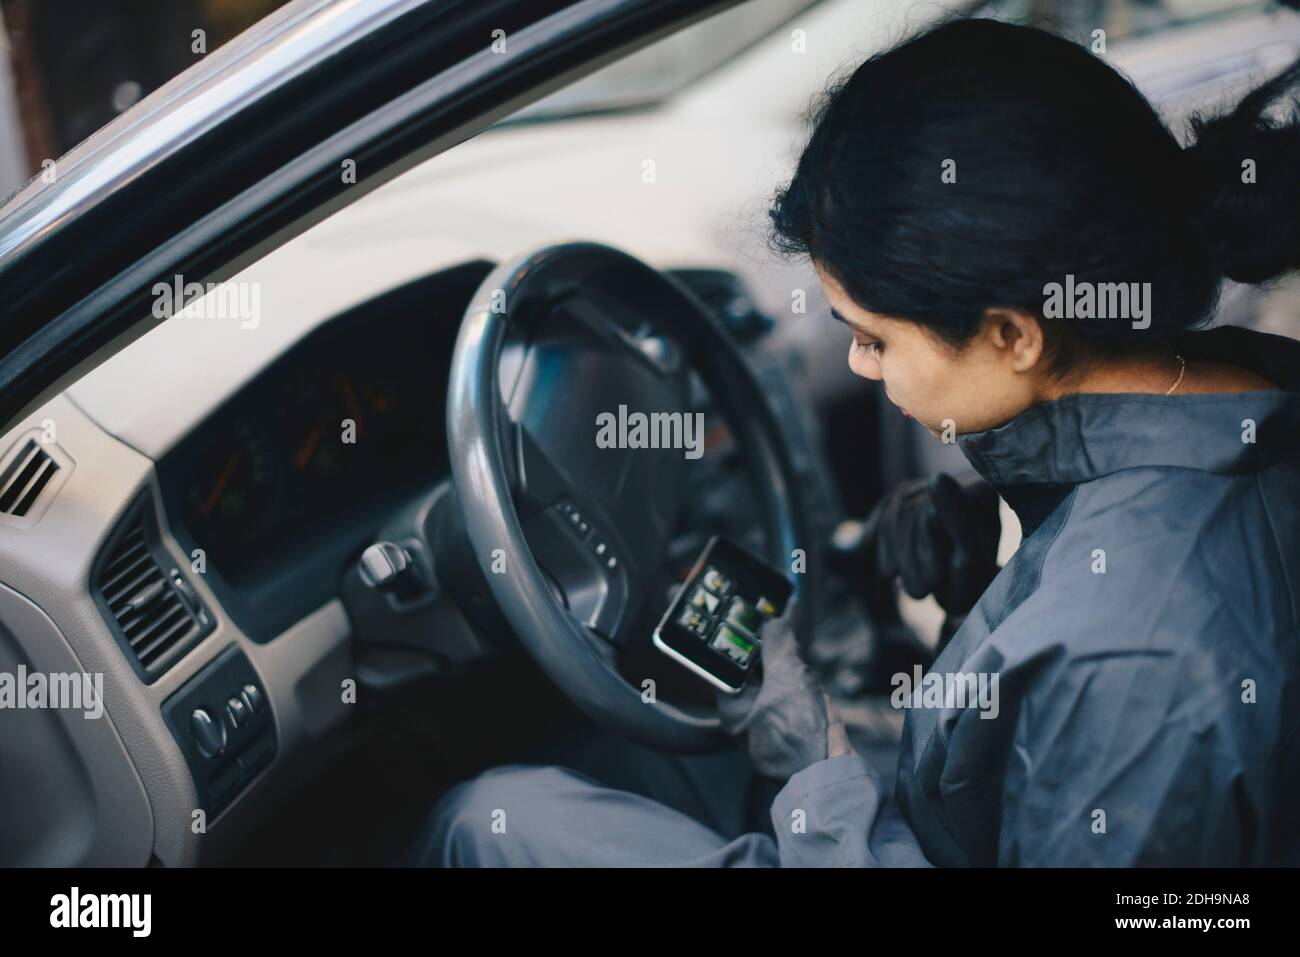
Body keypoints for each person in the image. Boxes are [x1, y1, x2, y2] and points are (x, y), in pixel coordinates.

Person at [417, 18, 1300, 866]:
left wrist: (818, 769)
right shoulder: (1244, 399)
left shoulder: (1129, 666)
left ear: (1012, 335)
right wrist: (991, 596)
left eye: (874, 337)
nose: (856, 361)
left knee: (487, 821)